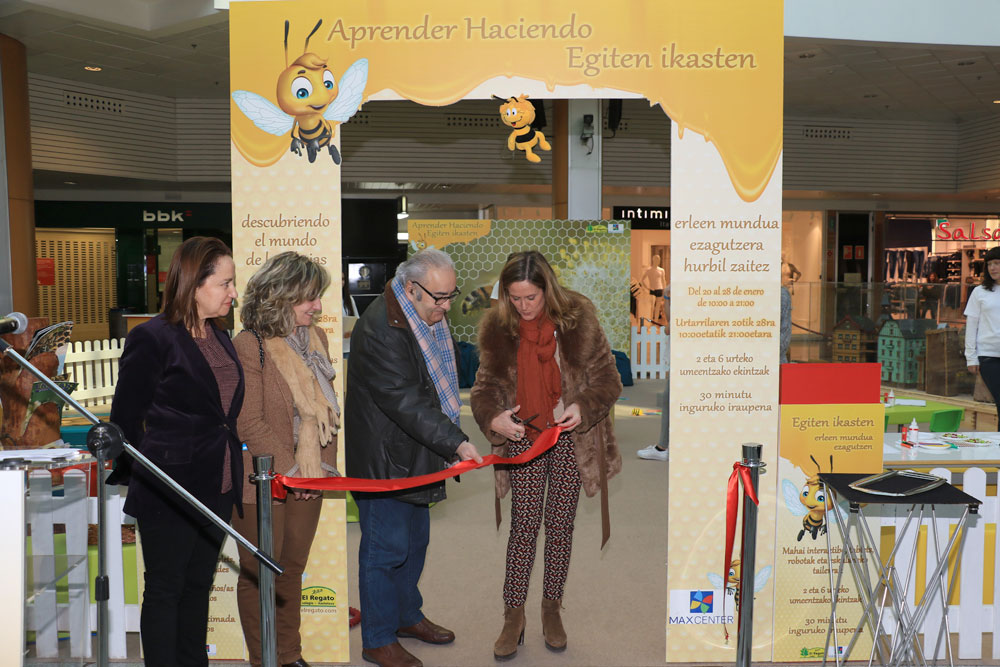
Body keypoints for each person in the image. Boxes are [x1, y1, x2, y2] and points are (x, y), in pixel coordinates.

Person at [470, 250, 622, 660]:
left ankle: (551, 608)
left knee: (559, 526)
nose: (522, 307)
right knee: (524, 525)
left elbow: (609, 379)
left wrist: (583, 407)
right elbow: (483, 390)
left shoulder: (579, 319)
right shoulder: (498, 328)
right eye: (514, 298)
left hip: (572, 436)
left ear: (547, 290)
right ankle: (512, 615)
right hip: (523, 437)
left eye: (530, 298)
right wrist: (493, 418)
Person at [345, 248, 482, 667]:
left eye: (450, 296)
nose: (446, 306)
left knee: (415, 543)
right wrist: (456, 442)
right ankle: (378, 638)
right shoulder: (381, 330)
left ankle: (407, 616)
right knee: (385, 550)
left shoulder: (420, 317)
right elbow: (405, 402)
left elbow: (430, 389)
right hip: (386, 458)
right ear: (410, 288)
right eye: (438, 298)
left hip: (416, 452)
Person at [109, 236, 243, 667]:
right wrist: (146, 473)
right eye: (225, 283)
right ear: (194, 283)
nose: (233, 292)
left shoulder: (219, 334)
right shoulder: (153, 337)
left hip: (219, 481)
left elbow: (223, 414)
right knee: (166, 588)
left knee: (198, 584)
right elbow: (125, 420)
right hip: (169, 487)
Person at [231, 252, 341, 667]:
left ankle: (290, 655)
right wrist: (292, 471)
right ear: (279, 296)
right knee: (260, 573)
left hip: (310, 475)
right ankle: (264, 660)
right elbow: (250, 422)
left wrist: (317, 470)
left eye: (318, 297)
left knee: (292, 568)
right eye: (308, 298)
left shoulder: (317, 340)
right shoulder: (249, 345)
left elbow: (326, 414)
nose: (316, 306)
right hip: (262, 479)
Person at [965, 246, 1000, 421]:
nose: (992, 268)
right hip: (988, 356)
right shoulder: (979, 292)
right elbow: (971, 326)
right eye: (989, 264)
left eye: (997, 263)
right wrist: (971, 357)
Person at [641, 254, 667, 323]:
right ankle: (651, 320)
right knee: (652, 306)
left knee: (657, 306)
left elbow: (663, 280)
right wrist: (647, 288)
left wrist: (665, 290)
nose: (657, 261)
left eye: (658, 260)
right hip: (652, 289)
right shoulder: (649, 270)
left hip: (660, 289)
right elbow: (642, 280)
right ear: (653, 260)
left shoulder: (661, 270)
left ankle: (655, 320)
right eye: (656, 259)